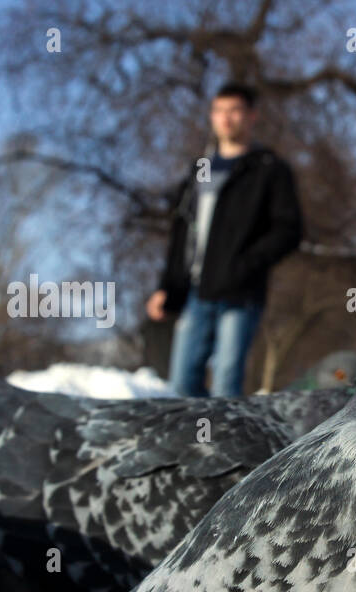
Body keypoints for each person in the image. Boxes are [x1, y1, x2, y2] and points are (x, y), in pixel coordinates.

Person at [147, 82, 302, 396]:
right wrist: (166, 287)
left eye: (234, 110)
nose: (226, 118)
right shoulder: (200, 170)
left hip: (241, 295)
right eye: (219, 110)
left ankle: (221, 429)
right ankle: (199, 430)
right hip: (197, 292)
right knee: (182, 385)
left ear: (252, 115)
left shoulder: (268, 169)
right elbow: (182, 234)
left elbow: (289, 230)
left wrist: (245, 265)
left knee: (226, 386)